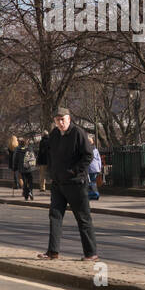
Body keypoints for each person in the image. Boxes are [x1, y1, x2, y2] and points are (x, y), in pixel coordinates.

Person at [37, 107, 99, 261]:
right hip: (58, 183)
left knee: (83, 218)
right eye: (57, 120)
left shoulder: (78, 133)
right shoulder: (54, 135)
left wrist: (74, 171)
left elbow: (88, 155)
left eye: (63, 119)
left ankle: (91, 254)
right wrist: (52, 172)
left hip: (76, 183)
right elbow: (50, 155)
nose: (60, 122)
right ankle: (53, 252)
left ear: (69, 119)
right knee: (55, 217)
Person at [87, 133, 102, 200]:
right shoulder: (95, 149)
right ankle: (94, 194)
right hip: (95, 168)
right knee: (93, 181)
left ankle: (94, 194)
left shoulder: (88, 149)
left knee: (90, 182)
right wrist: (99, 168)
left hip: (90, 168)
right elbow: (99, 159)